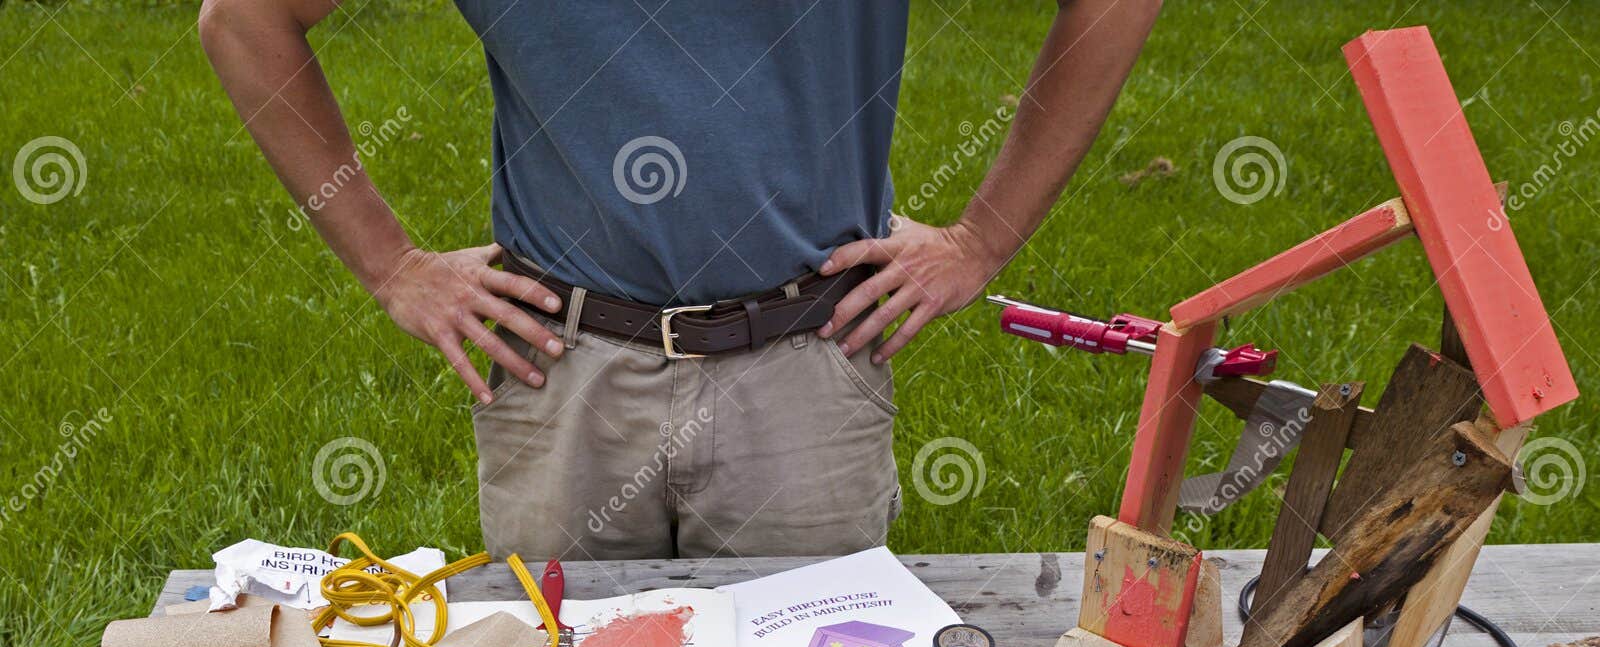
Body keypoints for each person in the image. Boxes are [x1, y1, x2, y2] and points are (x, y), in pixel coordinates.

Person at [200, 0, 1162, 559]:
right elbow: (245, 18)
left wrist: (981, 240)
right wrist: (392, 266)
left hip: (803, 370)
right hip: (562, 375)